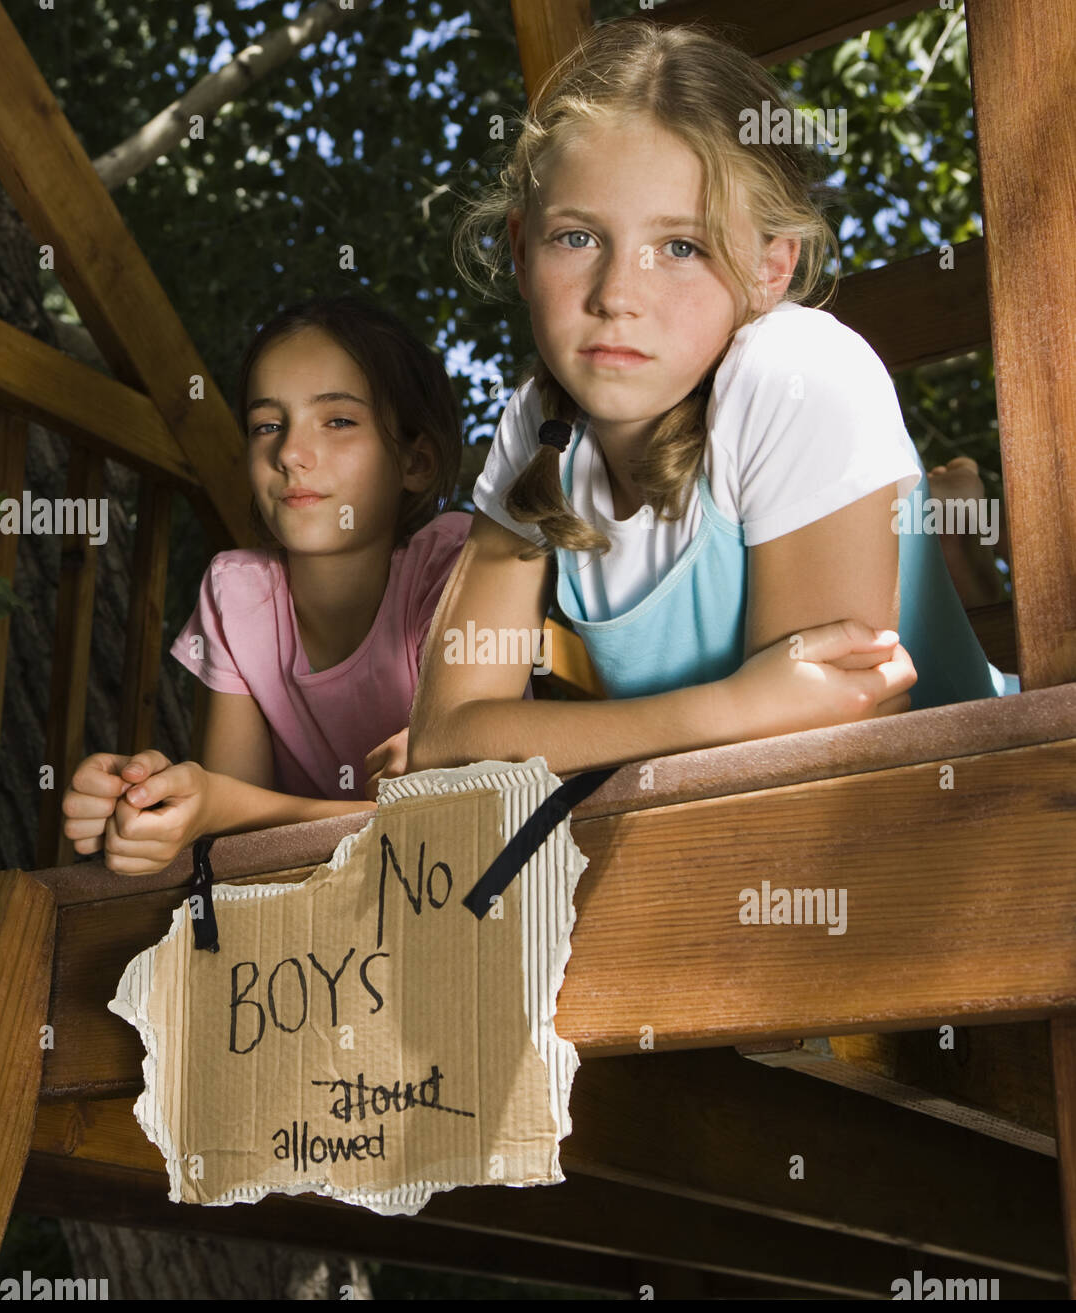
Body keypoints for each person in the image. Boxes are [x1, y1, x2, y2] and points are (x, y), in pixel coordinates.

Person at [408, 20, 1016, 780]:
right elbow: (440, 737)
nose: (617, 296)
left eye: (681, 248)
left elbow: (824, 740)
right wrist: (733, 707)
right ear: (521, 247)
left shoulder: (797, 371)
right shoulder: (539, 422)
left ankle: (953, 531)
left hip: (971, 810)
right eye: (576, 238)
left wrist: (552, 737)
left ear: (770, 269)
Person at [62, 295, 469, 874]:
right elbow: (234, 847)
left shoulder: (451, 569)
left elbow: (454, 821)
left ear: (415, 462)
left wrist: (219, 806)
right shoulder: (236, 594)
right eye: (267, 425)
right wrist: (153, 804)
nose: (291, 453)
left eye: (339, 421)